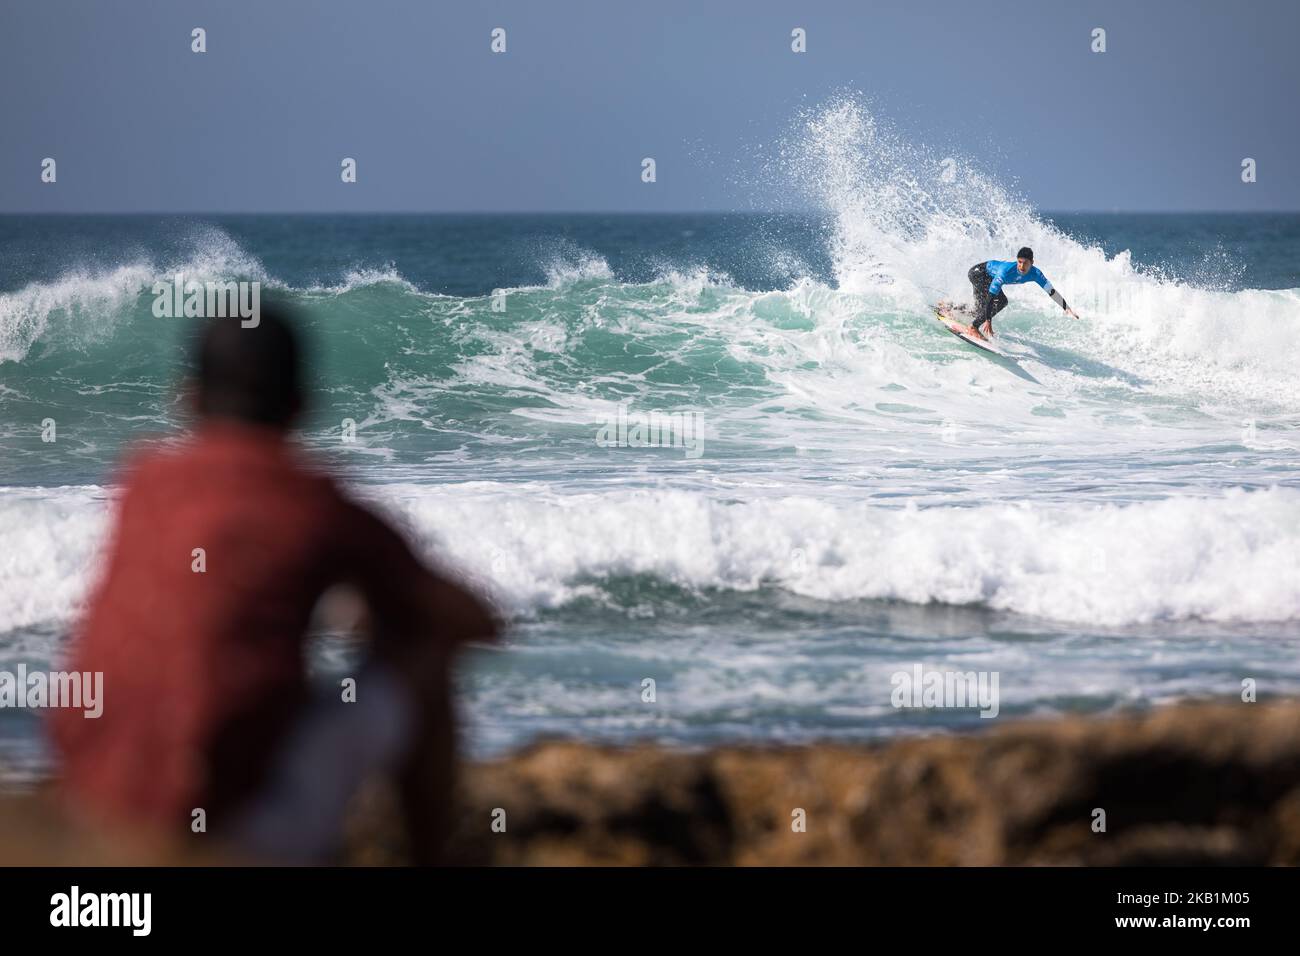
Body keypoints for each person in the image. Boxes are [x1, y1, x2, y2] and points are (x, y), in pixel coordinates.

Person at [53, 303, 498, 864]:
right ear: (302, 406)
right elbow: (478, 622)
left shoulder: (142, 480)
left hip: (94, 814)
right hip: (232, 836)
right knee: (423, 656)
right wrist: (375, 610)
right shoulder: (311, 501)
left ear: (186, 398)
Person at [966, 247, 1078, 339]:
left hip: (987, 277)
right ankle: (973, 327)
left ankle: (955, 308)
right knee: (1001, 302)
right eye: (1019, 262)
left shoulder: (1036, 274)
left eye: (1025, 263)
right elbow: (991, 296)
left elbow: (1051, 291)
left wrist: (1066, 307)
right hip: (979, 274)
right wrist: (988, 320)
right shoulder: (1006, 271)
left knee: (979, 309)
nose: (1021, 266)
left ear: (1032, 263)